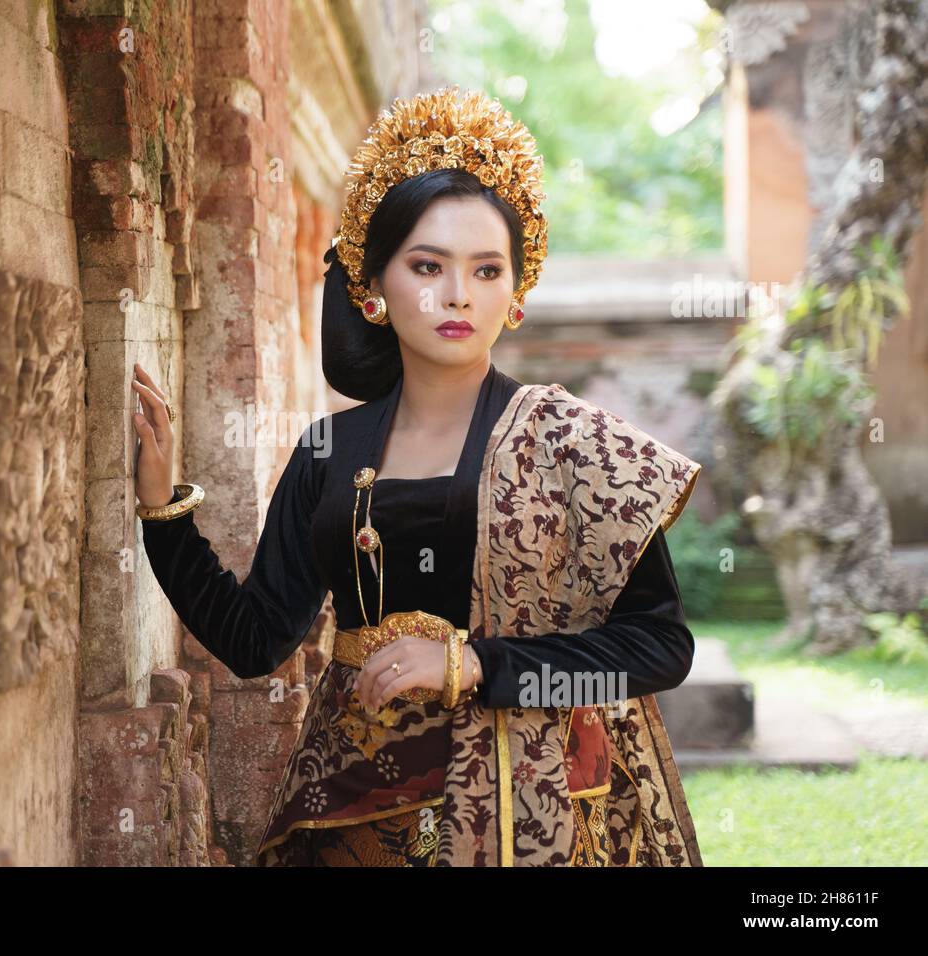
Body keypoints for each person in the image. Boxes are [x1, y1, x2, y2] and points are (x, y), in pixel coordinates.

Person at [133, 87, 703, 867]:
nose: (458, 294)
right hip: (355, 816)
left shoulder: (575, 444)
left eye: (487, 269)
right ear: (375, 288)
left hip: (535, 821)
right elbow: (255, 640)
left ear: (517, 293)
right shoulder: (328, 452)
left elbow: (659, 649)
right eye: (428, 265)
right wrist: (161, 509)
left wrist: (476, 666)